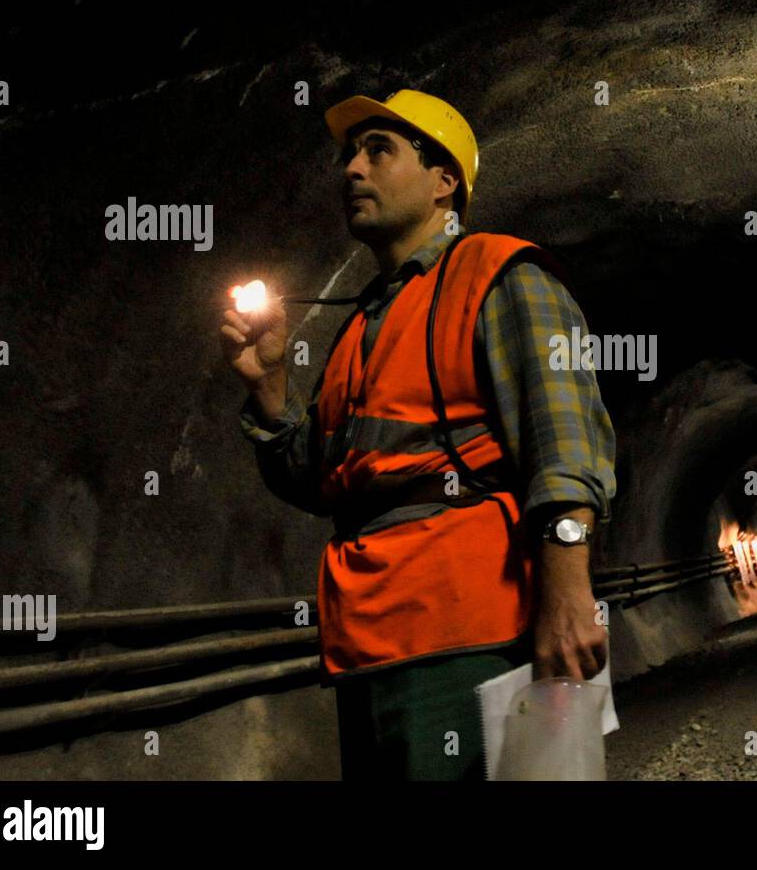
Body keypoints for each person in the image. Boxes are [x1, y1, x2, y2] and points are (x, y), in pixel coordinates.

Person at [218, 88, 616, 780]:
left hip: (472, 630)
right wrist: (270, 390)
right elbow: (315, 481)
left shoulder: (499, 273)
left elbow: (565, 439)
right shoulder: (360, 327)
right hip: (367, 640)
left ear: (444, 182)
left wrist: (569, 594)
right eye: (348, 153)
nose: (351, 168)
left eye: (379, 150)